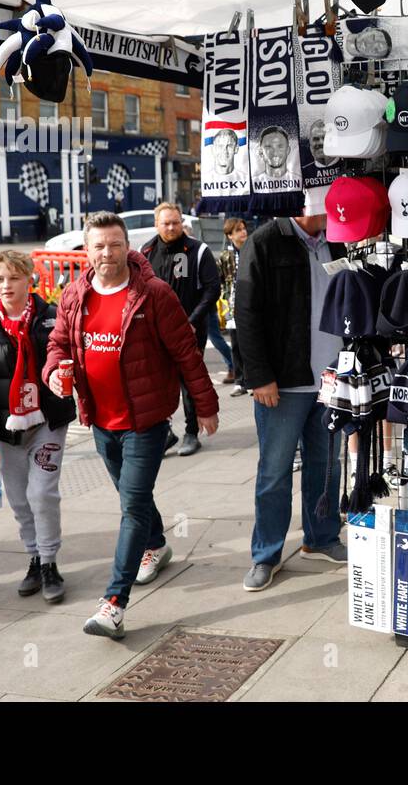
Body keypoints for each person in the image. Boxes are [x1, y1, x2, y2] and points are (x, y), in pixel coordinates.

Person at [44, 212, 219, 639]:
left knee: (131, 506)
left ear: (128, 246)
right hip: (100, 420)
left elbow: (185, 353)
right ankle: (156, 545)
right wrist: (52, 371)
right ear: (87, 250)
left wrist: (206, 404)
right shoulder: (74, 294)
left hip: (145, 420)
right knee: (132, 498)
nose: (107, 253)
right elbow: (59, 343)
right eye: (99, 245)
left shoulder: (154, 294)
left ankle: (114, 603)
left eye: (114, 244)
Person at [235, 213, 346, 593]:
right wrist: (259, 376)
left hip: (333, 378)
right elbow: (246, 314)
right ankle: (266, 554)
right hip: (283, 381)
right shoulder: (265, 241)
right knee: (275, 472)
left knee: (327, 465)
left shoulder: (339, 238)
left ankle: (322, 536)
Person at [0, 250, 76, 604]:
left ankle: (50, 563)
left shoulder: (54, 320)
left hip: (47, 421)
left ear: (30, 279)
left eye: (14, 278)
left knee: (41, 494)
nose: (6, 285)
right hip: (6, 427)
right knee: (18, 499)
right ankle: (34, 557)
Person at [140, 203, 220, 457]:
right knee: (158, 382)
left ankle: (191, 432)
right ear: (157, 224)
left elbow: (212, 290)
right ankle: (165, 432)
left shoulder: (199, 250)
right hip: (157, 332)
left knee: (189, 381)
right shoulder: (147, 251)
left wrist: (193, 321)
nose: (172, 227)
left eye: (175, 222)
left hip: (190, 329)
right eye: (166, 223)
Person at [219, 218, 250, 397]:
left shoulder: (252, 250)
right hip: (232, 305)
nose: (243, 232)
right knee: (236, 344)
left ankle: (253, 378)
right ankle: (240, 381)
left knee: (252, 342)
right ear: (230, 235)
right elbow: (220, 280)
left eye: (244, 228)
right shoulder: (225, 256)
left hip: (251, 302)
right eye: (238, 230)